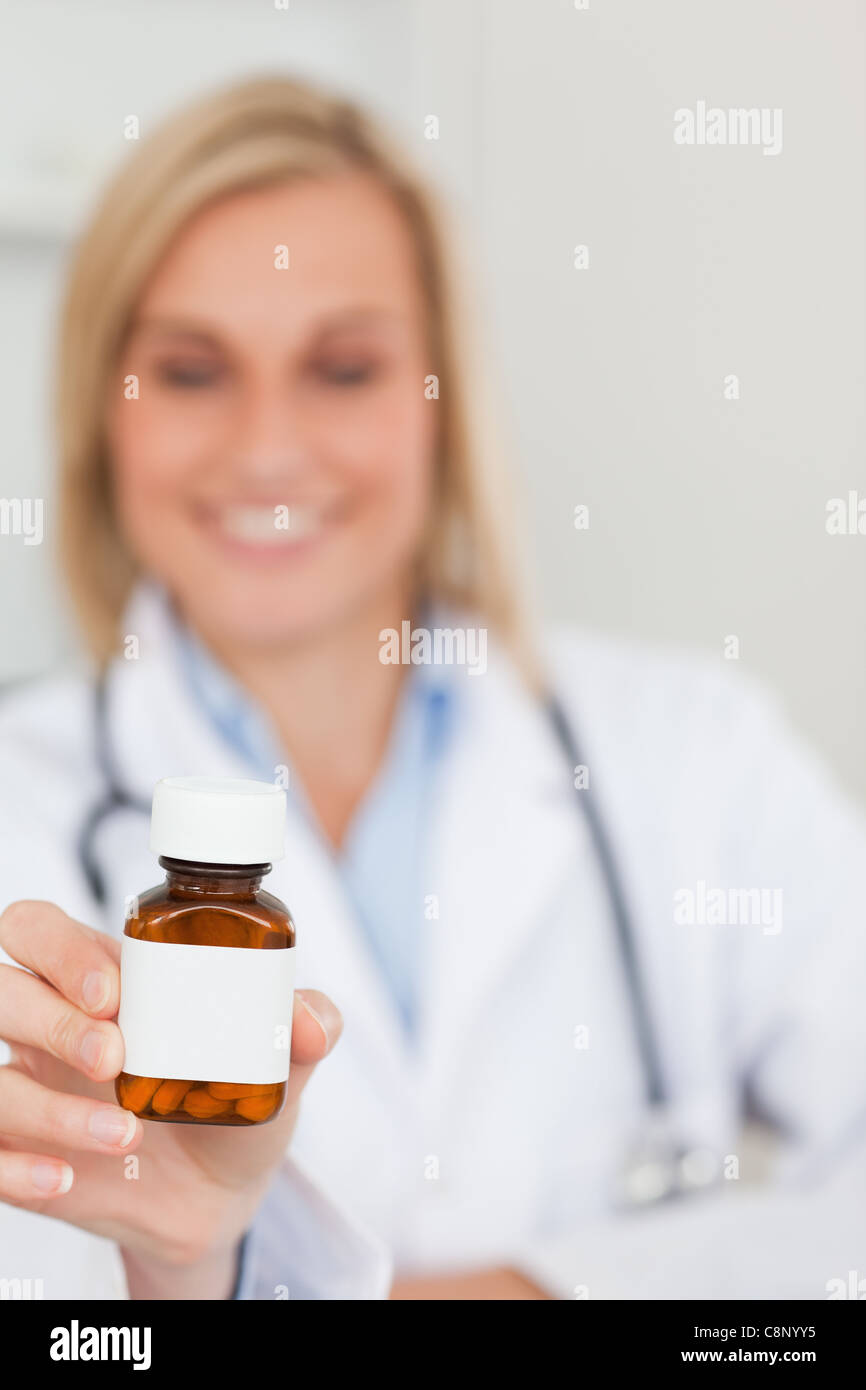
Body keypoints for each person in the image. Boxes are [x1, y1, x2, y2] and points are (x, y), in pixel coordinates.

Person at [1, 74, 864, 1302]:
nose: (266, 446)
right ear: (103, 418)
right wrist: (182, 1268)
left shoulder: (692, 758)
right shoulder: (19, 816)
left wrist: (533, 1288)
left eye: (342, 368)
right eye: (193, 373)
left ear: (440, 404)